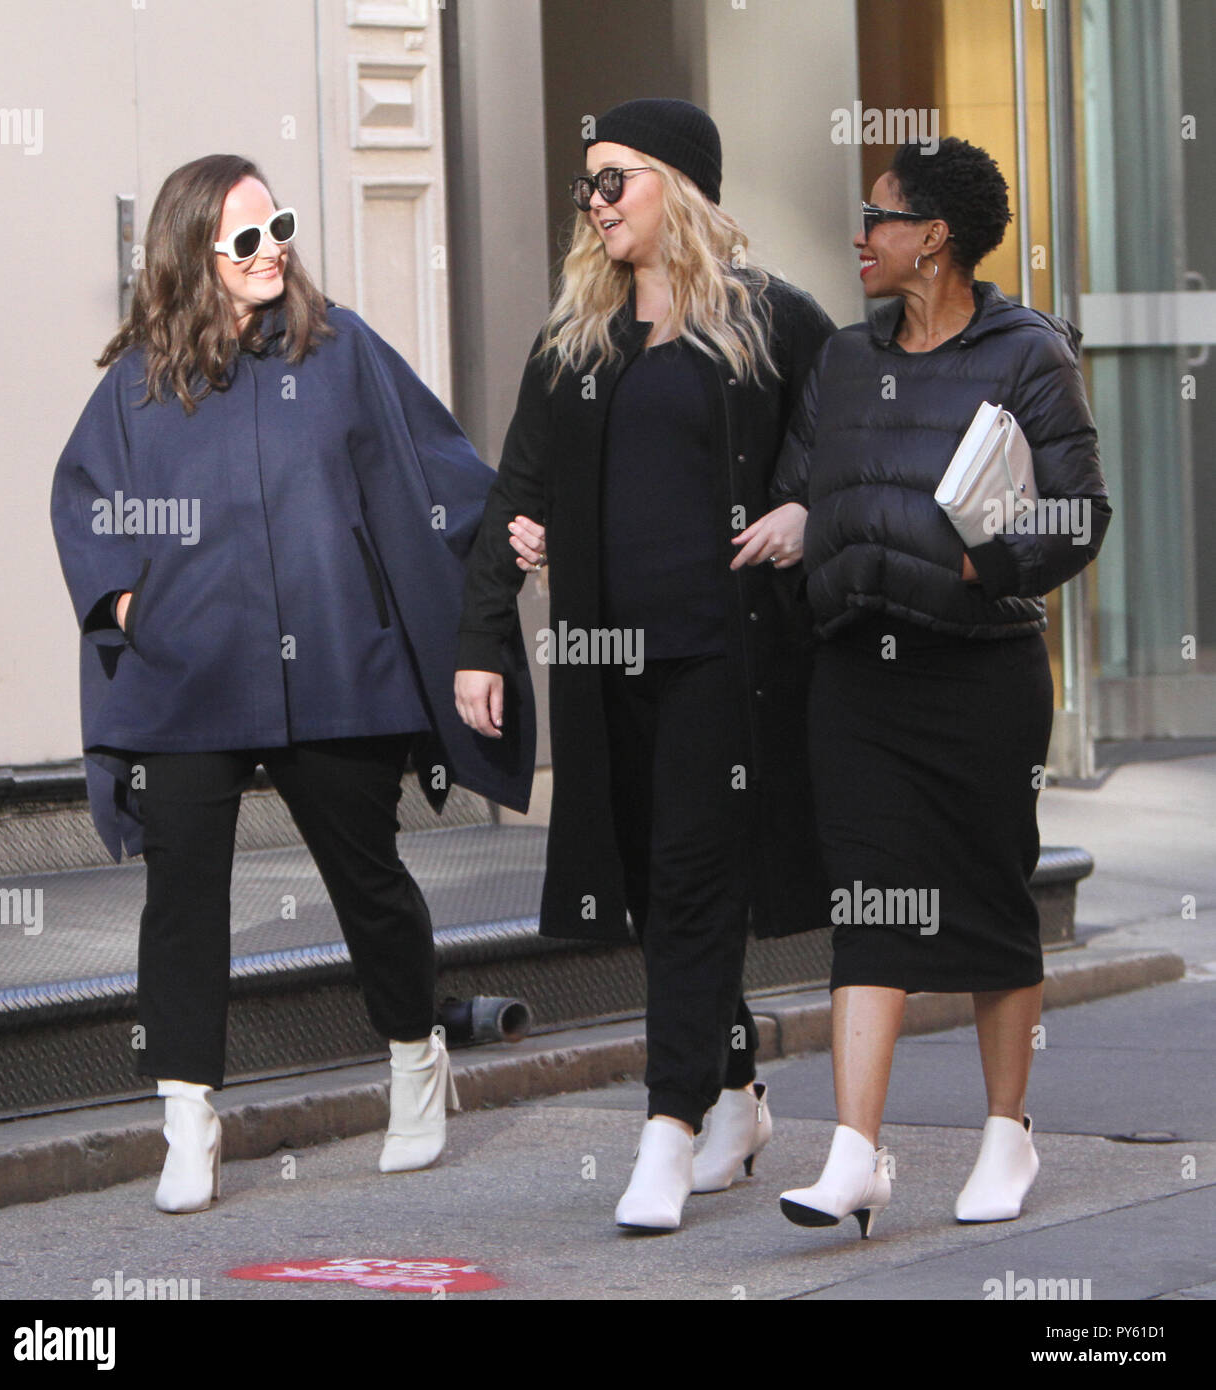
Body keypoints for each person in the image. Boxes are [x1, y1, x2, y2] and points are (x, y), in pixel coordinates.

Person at [50, 154, 534, 1213]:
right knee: (181, 900)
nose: (272, 251)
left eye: (281, 228)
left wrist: (506, 538)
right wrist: (130, 607)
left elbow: (438, 467)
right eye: (244, 240)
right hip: (192, 681)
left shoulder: (340, 349)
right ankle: (187, 1114)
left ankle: (415, 1059)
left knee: (369, 879)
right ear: (193, 257)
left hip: (334, 665)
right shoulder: (140, 381)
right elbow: (85, 500)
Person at [454, 99, 835, 1232]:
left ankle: (665, 1130)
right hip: (607, 665)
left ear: (681, 184)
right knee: (660, 890)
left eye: (615, 178)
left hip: (729, 660)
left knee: (693, 876)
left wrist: (807, 510)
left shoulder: (773, 322)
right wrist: (485, 635)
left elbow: (845, 449)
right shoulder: (578, 335)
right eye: (587, 184)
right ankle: (733, 1093)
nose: (596, 201)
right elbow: (514, 492)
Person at [740, 136, 1111, 1237]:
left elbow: (1077, 514)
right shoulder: (847, 359)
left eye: (880, 216)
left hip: (979, 674)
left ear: (933, 238)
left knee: (992, 897)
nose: (861, 235)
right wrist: (799, 521)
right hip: (855, 668)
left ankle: (1008, 1130)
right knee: (866, 901)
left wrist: (980, 560)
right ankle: (855, 1152)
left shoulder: (1028, 353)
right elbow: (802, 478)